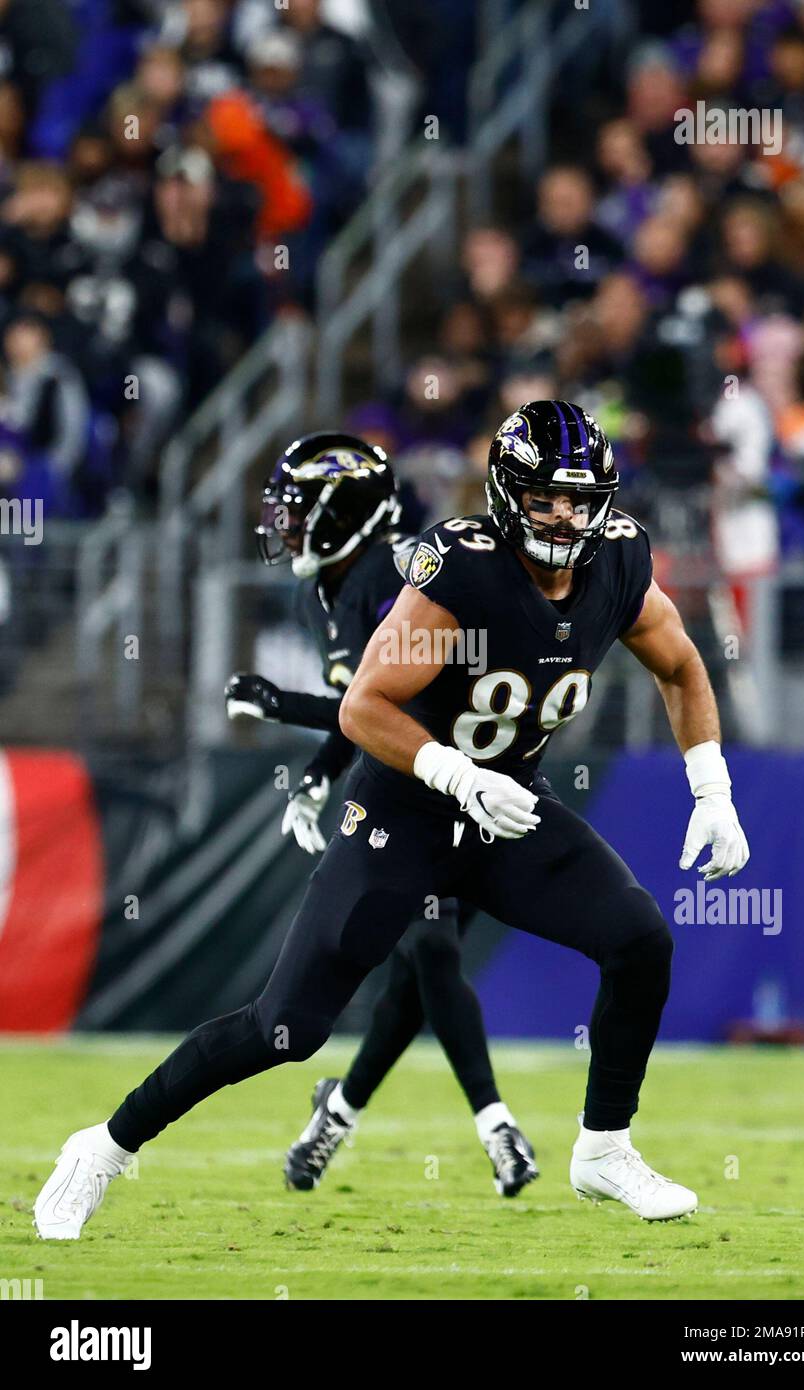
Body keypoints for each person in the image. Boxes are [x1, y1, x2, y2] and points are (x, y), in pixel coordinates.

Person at [34, 401, 749, 1238]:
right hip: (405, 812)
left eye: (581, 497)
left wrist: (714, 789)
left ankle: (603, 1147)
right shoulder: (465, 570)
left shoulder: (620, 558)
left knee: (639, 940)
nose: (567, 515)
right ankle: (104, 1147)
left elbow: (681, 663)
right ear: (507, 493)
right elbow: (364, 708)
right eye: (548, 497)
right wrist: (455, 774)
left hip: (508, 806)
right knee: (284, 1029)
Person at [224, 431, 538, 1198]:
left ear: (345, 516)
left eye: (300, 512)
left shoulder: (397, 575)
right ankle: (491, 1127)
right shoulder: (328, 586)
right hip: (420, 782)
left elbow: (370, 704)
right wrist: (316, 779)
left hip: (468, 778)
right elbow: (366, 717)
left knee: (420, 966)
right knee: (424, 961)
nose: (286, 527)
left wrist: (278, 702)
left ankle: (349, 1109)